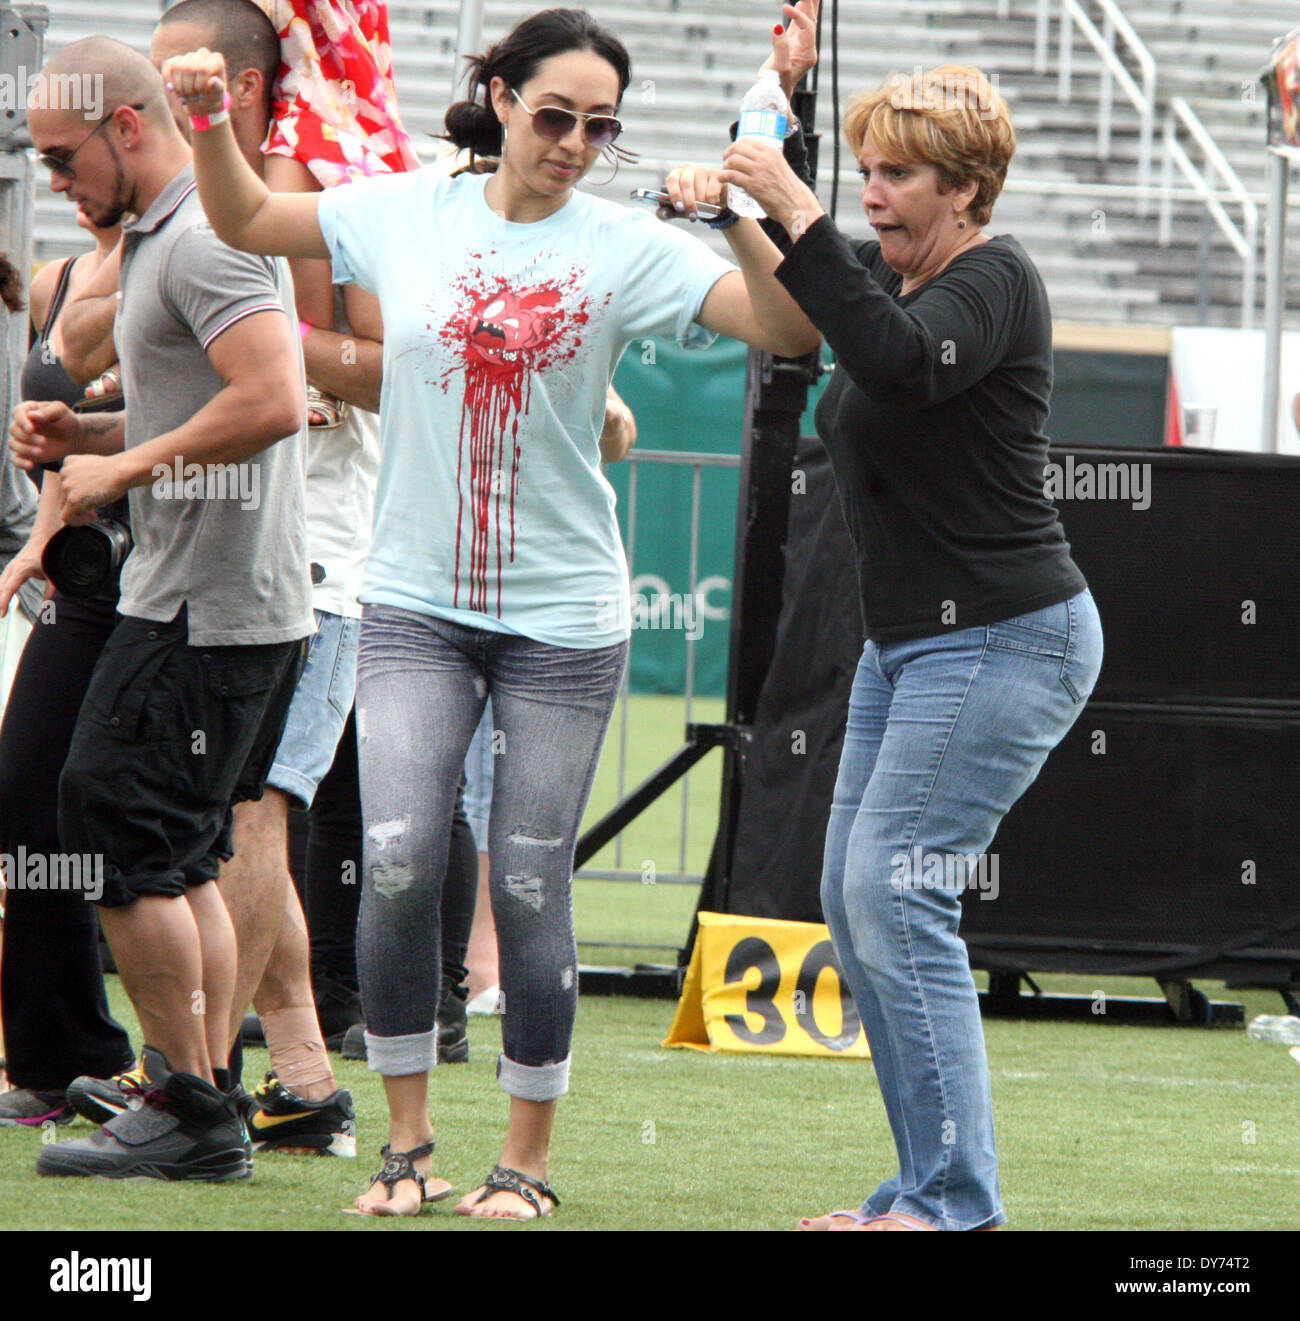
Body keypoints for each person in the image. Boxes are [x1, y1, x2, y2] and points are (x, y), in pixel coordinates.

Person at [164, 5, 818, 1217]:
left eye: (600, 126)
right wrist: (208, 124)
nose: (573, 142)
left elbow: (792, 328)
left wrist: (735, 211)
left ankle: (526, 1165)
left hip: (566, 617)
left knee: (526, 883)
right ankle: (406, 1149)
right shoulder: (405, 209)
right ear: (502, 99)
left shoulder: (628, 244)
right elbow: (247, 217)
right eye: (555, 114)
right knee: (400, 861)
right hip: (413, 601)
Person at [670, 14, 1104, 1229]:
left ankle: (949, 1205)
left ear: (966, 189)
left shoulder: (993, 279)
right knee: (859, 909)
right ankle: (918, 1192)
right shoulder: (889, 277)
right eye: (864, 173)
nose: (873, 194)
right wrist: (747, 177)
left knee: (896, 894)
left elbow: (900, 360)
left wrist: (792, 210)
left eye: (899, 175)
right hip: (913, 646)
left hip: (1009, 637)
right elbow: (814, 322)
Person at [16, 35, 313, 1182]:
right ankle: (196, 1093)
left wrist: (118, 474)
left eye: (60, 157)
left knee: (108, 817)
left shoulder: (201, 237)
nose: (54, 181)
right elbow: (198, 404)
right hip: (213, 596)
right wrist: (86, 436)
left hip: (211, 601)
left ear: (125, 126)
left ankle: (188, 1101)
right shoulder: (158, 237)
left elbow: (277, 400)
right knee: (179, 850)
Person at [0, 210, 134, 1130]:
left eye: (67, 154)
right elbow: (55, 446)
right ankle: (59, 1059)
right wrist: (36, 548)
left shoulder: (200, 256)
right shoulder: (53, 283)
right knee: (27, 795)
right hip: (82, 572)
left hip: (173, 570)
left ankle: (210, 1076)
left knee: (178, 832)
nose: (59, 179)